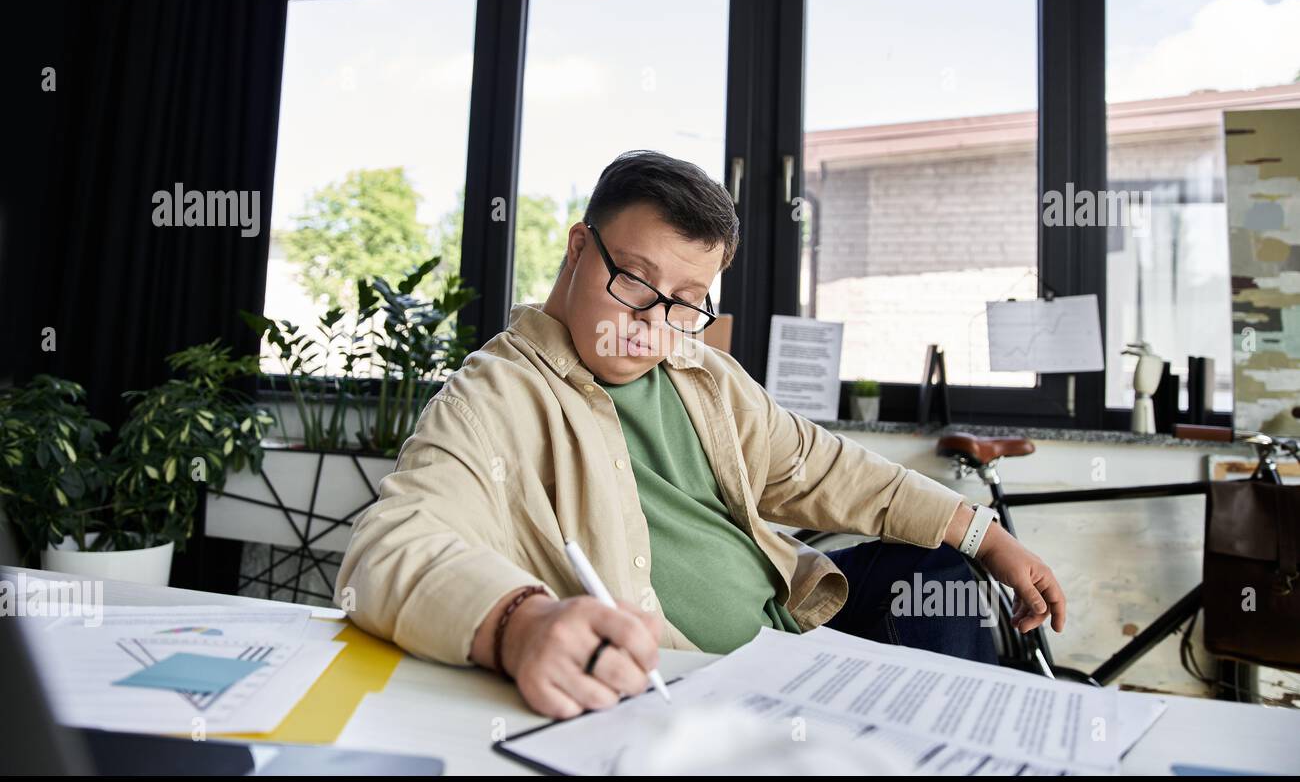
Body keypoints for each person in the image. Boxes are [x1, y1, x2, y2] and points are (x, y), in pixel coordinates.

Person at [335, 149, 1066, 720]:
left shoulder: (699, 369)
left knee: (939, 574)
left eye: (685, 302)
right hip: (699, 680)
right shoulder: (496, 394)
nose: (652, 326)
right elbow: (386, 551)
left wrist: (983, 535)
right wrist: (520, 625)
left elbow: (816, 466)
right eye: (634, 282)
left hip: (793, 631)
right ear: (579, 246)